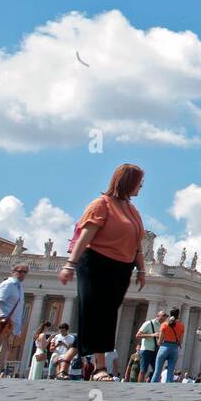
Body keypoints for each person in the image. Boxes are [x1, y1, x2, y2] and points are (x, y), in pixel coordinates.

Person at [60, 163, 148, 381]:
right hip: (95, 263)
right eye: (140, 182)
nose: (142, 187)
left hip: (121, 267)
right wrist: (70, 264)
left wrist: (142, 268)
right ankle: (100, 368)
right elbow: (85, 237)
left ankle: (68, 356)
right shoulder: (101, 204)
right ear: (128, 182)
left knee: (106, 315)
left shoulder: (132, 210)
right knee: (98, 314)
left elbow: (137, 243)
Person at [152, 308, 186, 382]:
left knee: (157, 371)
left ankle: (151, 387)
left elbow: (160, 341)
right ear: (178, 315)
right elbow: (180, 341)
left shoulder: (164, 324)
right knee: (170, 373)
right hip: (174, 348)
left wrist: (159, 343)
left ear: (170, 314)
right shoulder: (181, 325)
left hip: (164, 347)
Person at [134, 310, 162, 383]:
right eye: (163, 317)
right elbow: (138, 335)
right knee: (143, 370)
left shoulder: (161, 325)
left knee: (157, 370)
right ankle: (139, 385)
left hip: (156, 350)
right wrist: (152, 335)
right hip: (146, 350)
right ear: (158, 316)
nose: (165, 319)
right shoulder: (148, 323)